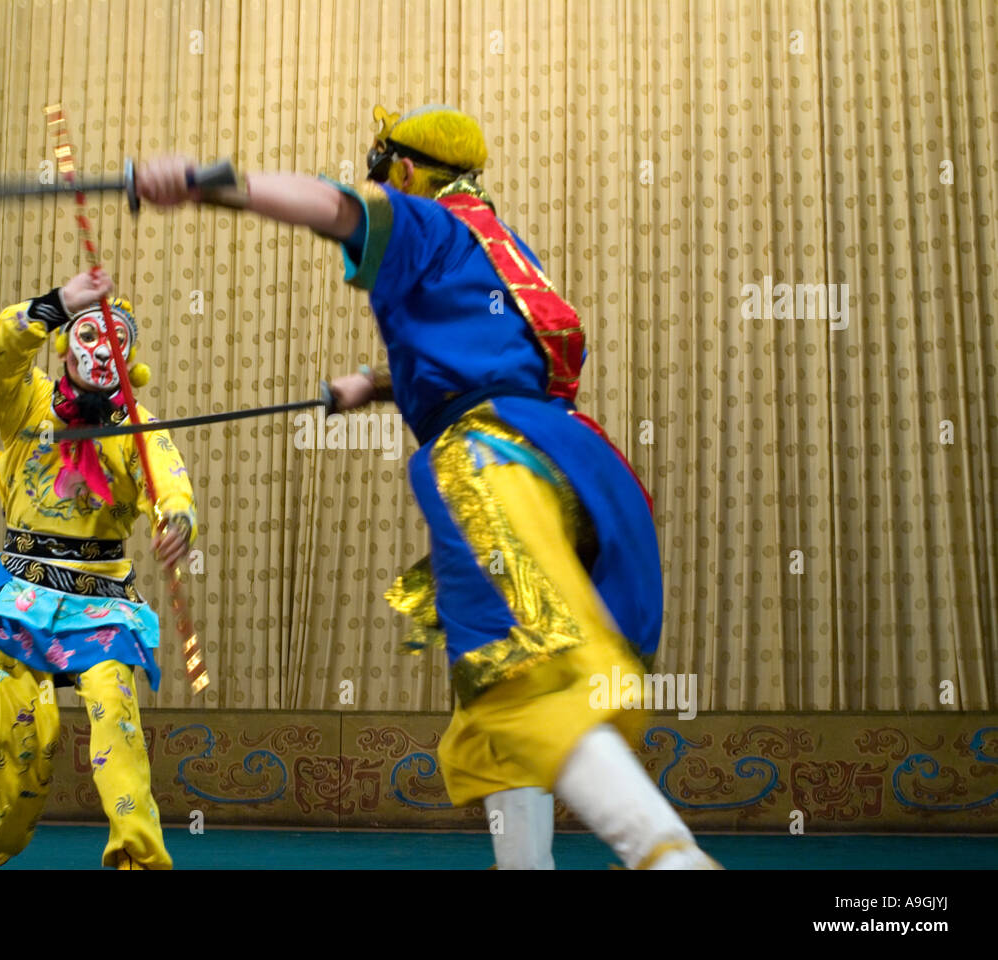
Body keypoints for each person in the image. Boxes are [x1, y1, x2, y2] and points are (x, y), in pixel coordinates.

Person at [134, 104, 718, 869]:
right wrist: (374, 386)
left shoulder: (424, 222)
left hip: (491, 460)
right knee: (502, 678)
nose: (381, 183)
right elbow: (494, 358)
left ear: (405, 170)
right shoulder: (497, 245)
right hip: (574, 458)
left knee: (528, 678)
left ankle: (670, 859)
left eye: (385, 171)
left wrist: (209, 185)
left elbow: (335, 207)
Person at [0, 269, 195, 870]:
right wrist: (54, 305)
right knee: (1, 730)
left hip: (101, 600)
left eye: (116, 343)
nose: (102, 352)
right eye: (88, 336)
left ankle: (138, 858)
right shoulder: (24, 401)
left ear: (130, 360)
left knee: (116, 723)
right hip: (23, 594)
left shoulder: (135, 425)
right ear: (66, 344)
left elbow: (168, 478)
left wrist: (177, 520)